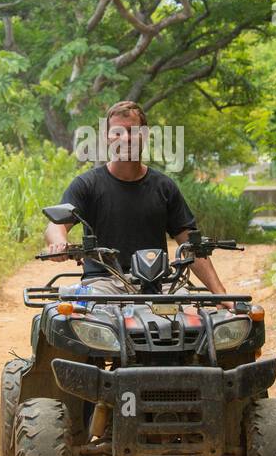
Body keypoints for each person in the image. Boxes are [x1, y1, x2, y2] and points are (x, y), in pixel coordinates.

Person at [42, 100, 231, 304]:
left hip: (160, 282)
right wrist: (59, 243)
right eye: (117, 132)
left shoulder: (164, 186)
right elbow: (56, 226)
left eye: (132, 131)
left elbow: (191, 245)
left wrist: (221, 295)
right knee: (89, 322)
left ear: (145, 135)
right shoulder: (87, 184)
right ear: (107, 137)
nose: (125, 138)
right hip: (103, 283)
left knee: (191, 317)